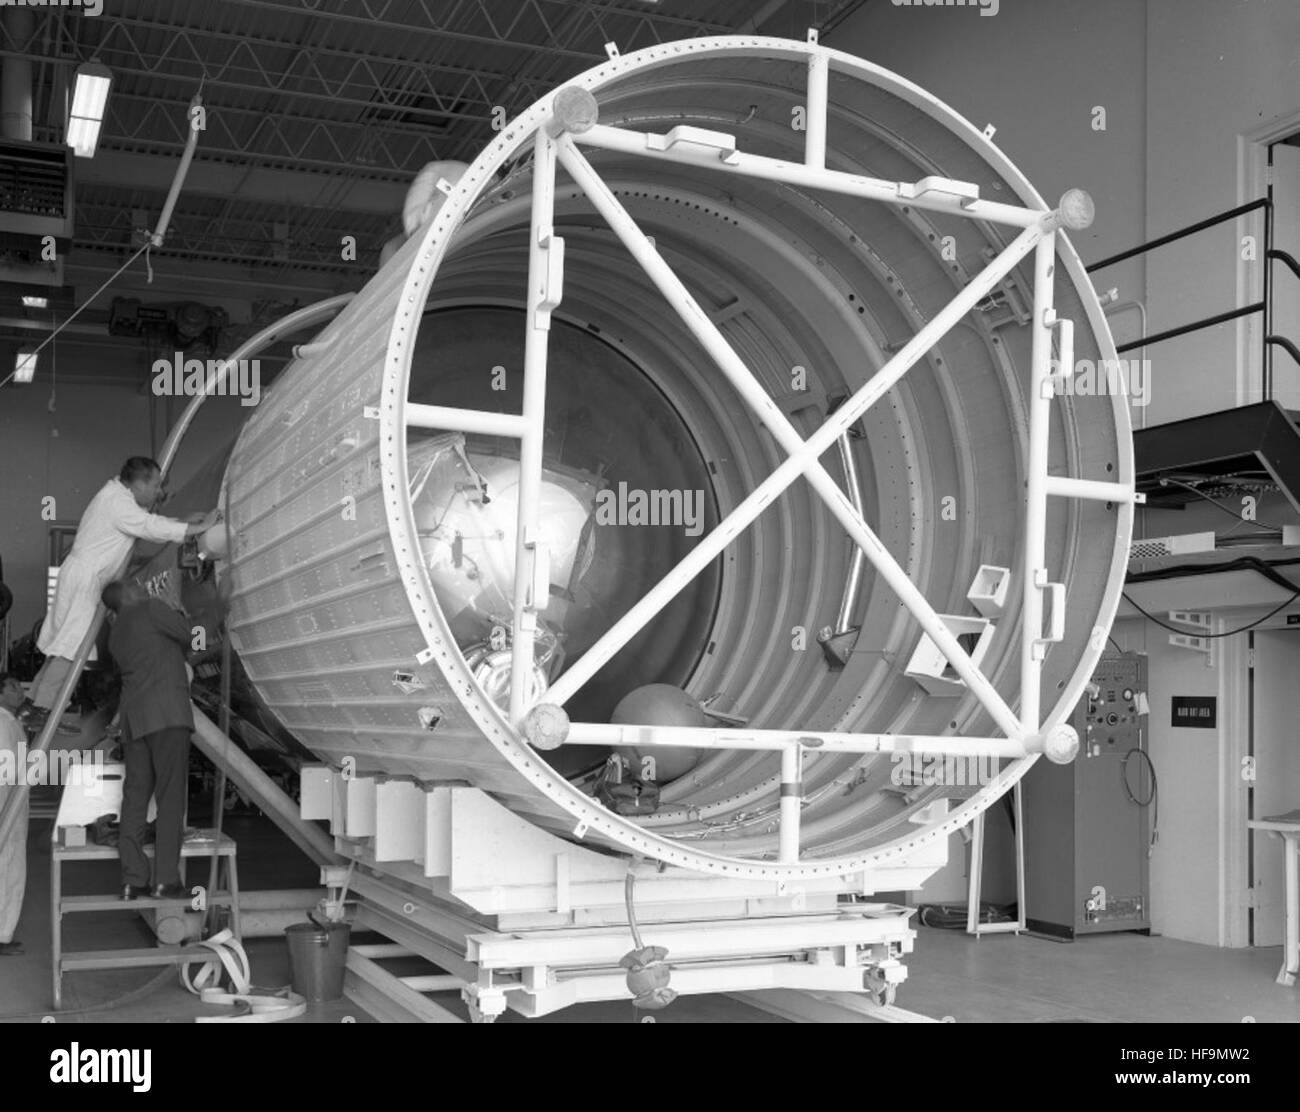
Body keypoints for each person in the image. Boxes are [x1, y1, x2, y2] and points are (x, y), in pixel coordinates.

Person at [18, 457, 218, 738]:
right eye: (156, 485)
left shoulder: (114, 497)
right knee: (70, 648)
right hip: (85, 580)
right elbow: (148, 527)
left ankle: (34, 705)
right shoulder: (117, 503)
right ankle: (41, 709)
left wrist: (182, 522)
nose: (158, 492)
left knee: (64, 645)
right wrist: (195, 529)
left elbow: (145, 523)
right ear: (140, 482)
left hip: (80, 576)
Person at [102, 580, 196, 901]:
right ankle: (165, 881)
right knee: (170, 799)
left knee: (135, 799)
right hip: (168, 716)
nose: (143, 589)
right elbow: (188, 635)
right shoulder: (152, 609)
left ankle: (133, 880)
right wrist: (178, 610)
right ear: (125, 597)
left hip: (135, 722)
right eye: (136, 587)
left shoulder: (115, 635)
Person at [0, 672, 28, 954]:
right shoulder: (2, 724)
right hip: (6, 807)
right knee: (6, 870)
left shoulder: (10, 722)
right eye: (13, 687)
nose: (20, 691)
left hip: (11, 805)